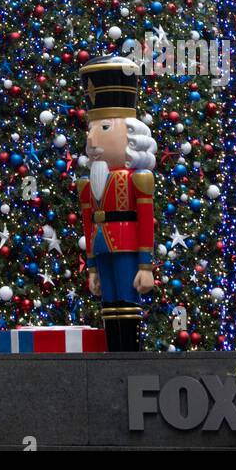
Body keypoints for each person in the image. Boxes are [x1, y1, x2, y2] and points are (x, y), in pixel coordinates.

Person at [78, 55, 157, 350]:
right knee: (109, 304)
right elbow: (88, 223)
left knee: (126, 301)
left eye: (104, 128)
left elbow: (146, 221)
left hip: (126, 244)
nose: (92, 138)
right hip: (102, 246)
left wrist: (146, 265)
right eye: (92, 129)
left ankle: (129, 355)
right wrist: (93, 267)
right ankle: (113, 356)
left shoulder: (138, 178)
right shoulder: (89, 182)